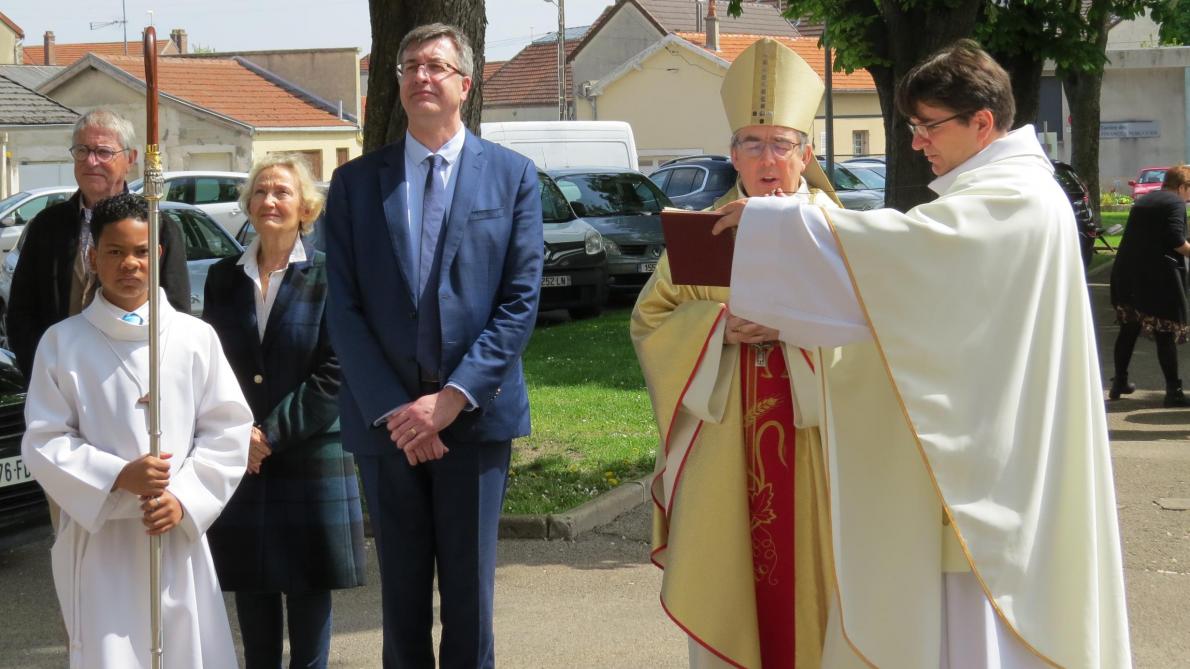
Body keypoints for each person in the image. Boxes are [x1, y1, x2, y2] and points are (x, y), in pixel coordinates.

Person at [712, 40, 1130, 667]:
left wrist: (776, 228)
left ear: (981, 122)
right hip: (994, 450)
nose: (916, 143)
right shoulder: (1011, 190)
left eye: (927, 126)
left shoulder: (1013, 197)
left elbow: (915, 254)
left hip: (992, 474)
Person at [324, 23, 543, 669]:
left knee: (471, 600)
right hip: (388, 426)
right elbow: (344, 306)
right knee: (400, 597)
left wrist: (449, 400)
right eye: (410, 65)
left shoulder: (512, 177)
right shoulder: (356, 184)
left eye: (437, 66)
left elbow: (519, 300)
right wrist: (401, 410)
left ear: (464, 84)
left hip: (475, 421)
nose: (422, 76)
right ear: (396, 82)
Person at [631, 38, 840, 668]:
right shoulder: (704, 230)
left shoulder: (840, 233)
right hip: (725, 455)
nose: (767, 159)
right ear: (733, 155)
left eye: (781, 143)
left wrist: (792, 326)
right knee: (732, 586)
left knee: (819, 603)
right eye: (752, 143)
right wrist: (715, 326)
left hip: (818, 453)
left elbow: (878, 332)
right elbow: (650, 320)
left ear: (806, 153)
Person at [20, 193, 252, 668]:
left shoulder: (193, 338)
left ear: (159, 254)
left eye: (142, 251)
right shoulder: (63, 344)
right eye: (115, 252)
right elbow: (44, 439)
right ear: (92, 256)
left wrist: (184, 495)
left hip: (175, 530)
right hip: (101, 536)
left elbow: (227, 429)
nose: (130, 263)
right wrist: (117, 475)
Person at [202, 154, 366, 669]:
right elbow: (210, 365)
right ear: (248, 205)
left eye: (282, 192)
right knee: (253, 610)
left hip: (309, 458)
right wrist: (238, 438)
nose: (269, 201)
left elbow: (338, 370)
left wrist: (267, 436)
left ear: (305, 208)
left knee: (309, 608)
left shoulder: (332, 273)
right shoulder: (222, 278)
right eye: (260, 192)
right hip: (241, 462)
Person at [7, 108, 190, 383]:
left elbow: (175, 311)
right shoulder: (46, 227)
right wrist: (43, 372)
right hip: (60, 378)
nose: (91, 161)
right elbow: (22, 312)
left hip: (135, 381)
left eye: (104, 152)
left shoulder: (158, 227)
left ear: (130, 158)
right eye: (82, 151)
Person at [1109, 164, 1190, 406]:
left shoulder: (1146, 200)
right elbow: (1176, 240)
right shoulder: (1175, 204)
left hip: (1126, 273)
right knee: (1164, 331)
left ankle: (1119, 382)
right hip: (1156, 277)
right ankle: (1173, 391)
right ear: (1182, 187)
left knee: (1129, 328)